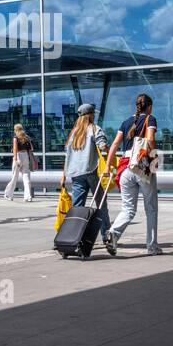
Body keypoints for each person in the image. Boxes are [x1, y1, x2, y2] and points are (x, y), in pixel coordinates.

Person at [104, 93, 162, 255]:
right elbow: (149, 140)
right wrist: (155, 157)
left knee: (128, 209)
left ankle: (113, 233)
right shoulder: (150, 119)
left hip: (125, 168)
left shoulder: (125, 122)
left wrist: (108, 167)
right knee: (151, 208)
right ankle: (152, 247)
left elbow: (114, 144)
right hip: (142, 165)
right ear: (149, 107)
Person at [60, 103, 111, 248]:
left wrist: (63, 175)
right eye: (93, 114)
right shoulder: (94, 129)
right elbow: (103, 147)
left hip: (76, 174)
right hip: (92, 172)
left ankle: (73, 237)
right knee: (101, 205)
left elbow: (67, 157)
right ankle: (106, 236)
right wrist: (111, 155)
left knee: (77, 208)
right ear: (90, 115)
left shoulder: (73, 133)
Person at [3, 123, 36, 202]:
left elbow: (15, 149)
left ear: (16, 130)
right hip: (26, 157)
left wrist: (15, 159)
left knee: (14, 177)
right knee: (26, 178)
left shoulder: (16, 138)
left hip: (18, 157)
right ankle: (28, 196)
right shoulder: (26, 137)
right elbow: (31, 148)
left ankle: (8, 194)